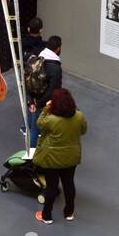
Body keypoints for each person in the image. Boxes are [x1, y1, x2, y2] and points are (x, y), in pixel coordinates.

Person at [33, 87, 87, 224]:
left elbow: (39, 123)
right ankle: (69, 212)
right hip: (71, 157)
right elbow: (84, 130)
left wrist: (46, 109)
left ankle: (47, 216)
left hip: (52, 158)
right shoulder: (79, 116)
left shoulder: (51, 119)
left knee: (51, 186)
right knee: (69, 184)